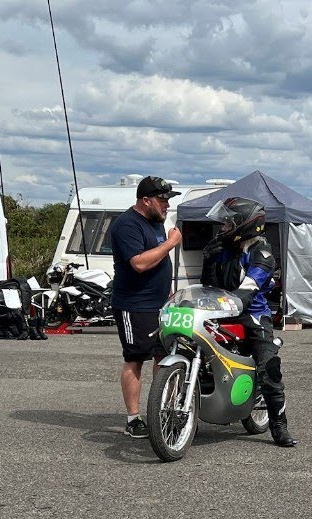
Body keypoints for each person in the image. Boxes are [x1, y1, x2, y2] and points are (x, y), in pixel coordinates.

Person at [200, 197, 296, 447]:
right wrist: (208, 260)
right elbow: (207, 286)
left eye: (227, 224)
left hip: (252, 314)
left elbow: (249, 289)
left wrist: (230, 303)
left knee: (269, 367)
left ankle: (279, 425)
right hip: (219, 312)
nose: (221, 229)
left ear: (244, 225)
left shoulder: (261, 253)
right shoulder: (220, 248)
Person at [108, 176, 182, 438]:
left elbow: (158, 260)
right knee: (136, 358)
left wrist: (168, 292)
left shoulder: (156, 222)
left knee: (165, 357)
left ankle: (161, 410)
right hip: (134, 305)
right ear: (145, 200)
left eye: (168, 201)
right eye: (162, 201)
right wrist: (170, 244)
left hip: (160, 304)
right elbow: (139, 263)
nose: (166, 206)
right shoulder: (127, 225)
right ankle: (133, 419)